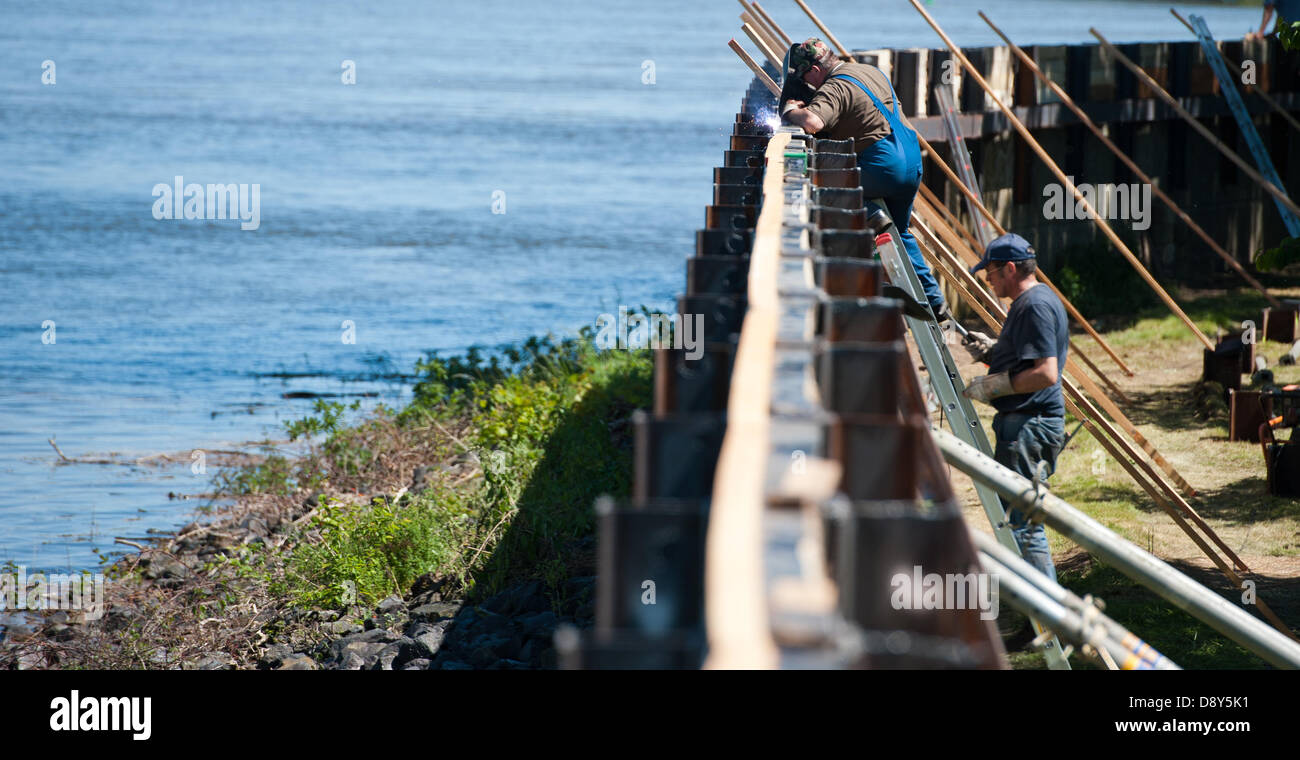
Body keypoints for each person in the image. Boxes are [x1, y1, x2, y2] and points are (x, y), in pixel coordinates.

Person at [780, 38, 949, 321]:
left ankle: (870, 216)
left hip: (883, 163)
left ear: (813, 70)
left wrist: (791, 110)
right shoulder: (867, 71)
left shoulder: (835, 86)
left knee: (819, 189)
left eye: (805, 77)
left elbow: (813, 122)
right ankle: (935, 302)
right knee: (901, 233)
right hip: (910, 160)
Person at [960, 233, 1068, 581]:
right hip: (1025, 424)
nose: (987, 279)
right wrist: (994, 351)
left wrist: (995, 385)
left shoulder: (1033, 305)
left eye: (990, 272)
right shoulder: (1031, 303)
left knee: (1022, 526)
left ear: (1009, 268)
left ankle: (1047, 624)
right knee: (1020, 522)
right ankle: (1035, 620)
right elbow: (1028, 359)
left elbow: (1045, 372)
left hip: (1029, 426)